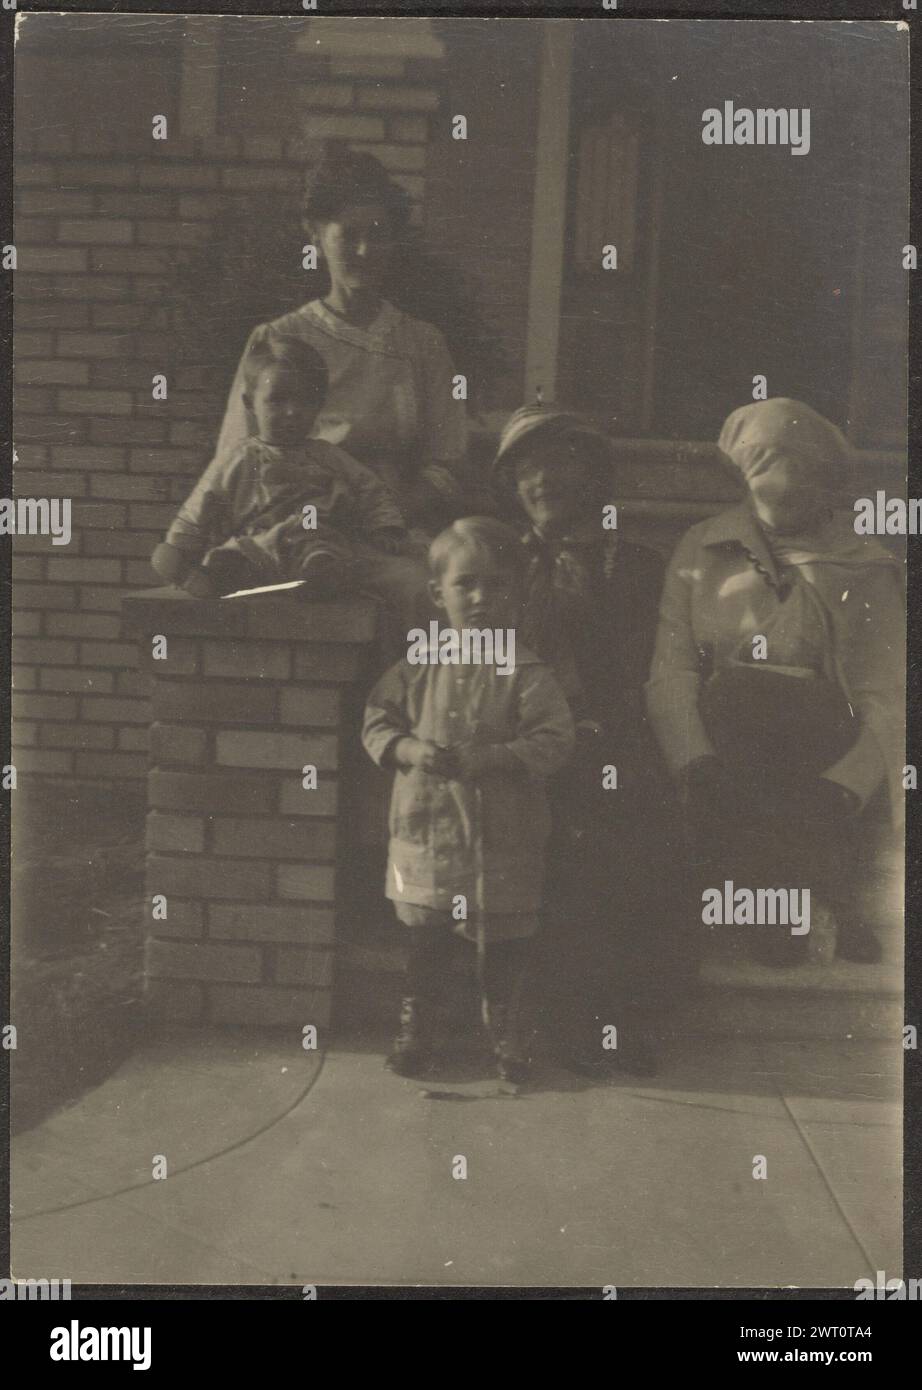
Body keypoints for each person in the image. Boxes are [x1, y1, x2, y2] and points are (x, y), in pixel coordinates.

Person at [646, 397, 905, 967]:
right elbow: (674, 665)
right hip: (729, 732)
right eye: (769, 483)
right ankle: (815, 898)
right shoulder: (703, 547)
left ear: (828, 485)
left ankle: (786, 903)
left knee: (767, 734)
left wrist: (849, 781)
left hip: (822, 731)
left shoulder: (863, 562)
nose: (787, 497)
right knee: (734, 701)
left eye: (804, 482)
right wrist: (692, 757)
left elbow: (886, 691)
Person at [493, 404, 682, 1078]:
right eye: (523, 471)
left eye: (555, 465)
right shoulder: (503, 562)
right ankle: (550, 1025)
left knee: (625, 826)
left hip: (607, 740)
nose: (538, 482)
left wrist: (604, 734)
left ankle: (612, 1019)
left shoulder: (637, 566)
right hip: (516, 736)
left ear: (593, 476)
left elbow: (645, 671)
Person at [361, 517, 575, 1084]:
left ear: (517, 591)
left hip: (502, 834)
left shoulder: (524, 669)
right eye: (467, 584)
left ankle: (508, 1037)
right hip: (430, 830)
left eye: (497, 584)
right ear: (438, 594)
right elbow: (376, 723)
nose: (482, 598)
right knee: (426, 942)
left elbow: (555, 738)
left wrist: (497, 757)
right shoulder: (417, 664)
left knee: (504, 946)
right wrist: (410, 749)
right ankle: (418, 1033)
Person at [210, 142, 472, 532]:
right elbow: (236, 460)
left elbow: (449, 458)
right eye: (348, 235)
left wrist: (392, 508)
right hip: (291, 528)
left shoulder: (422, 343)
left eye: (379, 234)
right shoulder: (277, 339)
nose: (365, 250)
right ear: (316, 235)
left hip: (395, 525)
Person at [151, 336, 427, 613]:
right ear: (250, 404)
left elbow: (370, 489)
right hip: (260, 544)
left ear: (319, 405)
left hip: (316, 539)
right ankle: (206, 577)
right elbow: (202, 501)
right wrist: (181, 544)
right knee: (232, 558)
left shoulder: (328, 456)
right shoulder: (238, 458)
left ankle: (319, 580)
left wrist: (384, 526)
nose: (292, 411)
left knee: (325, 556)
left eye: (305, 401)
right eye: (277, 400)